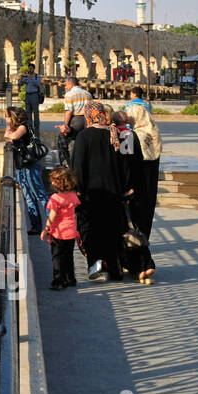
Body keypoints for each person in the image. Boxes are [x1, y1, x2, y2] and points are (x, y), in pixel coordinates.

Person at [71, 101, 129, 281]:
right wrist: (125, 188)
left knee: (91, 228)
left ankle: (95, 265)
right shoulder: (117, 135)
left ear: (89, 116)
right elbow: (125, 165)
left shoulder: (84, 136)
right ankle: (115, 268)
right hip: (114, 192)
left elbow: (78, 166)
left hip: (91, 193)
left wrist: (77, 189)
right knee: (112, 229)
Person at [121, 103, 162, 282]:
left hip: (133, 189)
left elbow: (124, 164)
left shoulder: (129, 136)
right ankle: (142, 265)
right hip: (149, 191)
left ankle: (142, 266)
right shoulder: (154, 135)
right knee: (143, 228)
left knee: (132, 228)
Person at [4, 106, 46, 235]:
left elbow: (13, 137)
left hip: (30, 165)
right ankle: (36, 226)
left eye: (6, 116)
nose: (5, 118)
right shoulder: (15, 127)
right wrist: (9, 129)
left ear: (13, 117)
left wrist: (10, 131)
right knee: (28, 196)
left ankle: (53, 223)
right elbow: (7, 136)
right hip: (22, 165)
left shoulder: (23, 127)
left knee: (39, 194)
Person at [43, 167, 80, 289]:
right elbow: (74, 214)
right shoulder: (73, 196)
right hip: (71, 231)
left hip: (59, 233)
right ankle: (70, 278)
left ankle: (58, 281)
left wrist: (46, 229)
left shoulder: (55, 198)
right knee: (68, 256)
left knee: (57, 257)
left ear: (57, 183)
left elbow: (52, 216)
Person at [57, 75, 91, 167]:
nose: (65, 87)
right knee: (82, 142)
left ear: (70, 84)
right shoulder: (87, 93)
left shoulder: (69, 94)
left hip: (76, 120)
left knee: (62, 139)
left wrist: (65, 125)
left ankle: (66, 165)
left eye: (66, 85)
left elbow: (69, 111)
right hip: (87, 120)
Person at [19, 63, 43, 130]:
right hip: (28, 95)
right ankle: (29, 126)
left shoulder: (37, 76)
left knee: (35, 112)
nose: (30, 69)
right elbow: (20, 84)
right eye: (29, 68)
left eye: (31, 68)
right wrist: (21, 79)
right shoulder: (26, 76)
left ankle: (36, 126)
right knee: (28, 112)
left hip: (34, 95)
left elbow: (38, 84)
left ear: (33, 69)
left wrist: (31, 79)